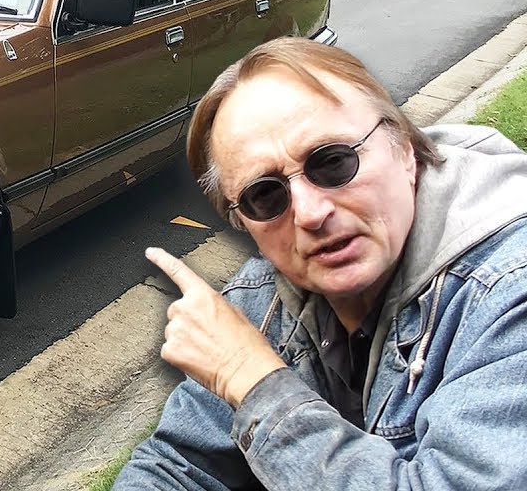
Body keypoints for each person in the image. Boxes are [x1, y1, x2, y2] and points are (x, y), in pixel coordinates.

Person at [114, 37, 527, 490]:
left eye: (333, 163)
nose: (310, 213)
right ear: (242, 221)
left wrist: (251, 379)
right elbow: (178, 465)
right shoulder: (266, 298)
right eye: (265, 195)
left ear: (405, 148)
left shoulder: (508, 291)